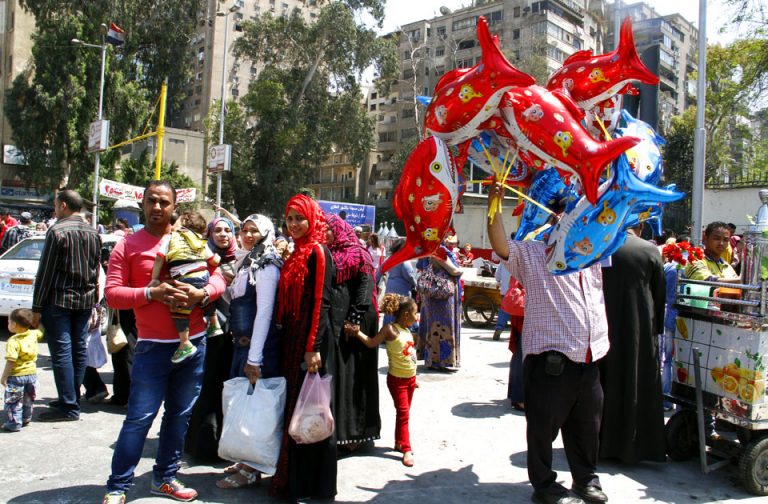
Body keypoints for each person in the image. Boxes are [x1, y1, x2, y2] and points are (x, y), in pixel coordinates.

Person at [102, 180, 227, 504]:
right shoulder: (127, 246)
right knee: (140, 418)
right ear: (143, 204)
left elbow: (219, 276)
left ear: (174, 207)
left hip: (194, 344)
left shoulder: (191, 238)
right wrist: (151, 293)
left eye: (164, 202)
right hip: (152, 347)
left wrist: (203, 293)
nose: (157, 207)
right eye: (152, 200)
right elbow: (112, 294)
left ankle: (165, 478)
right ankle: (118, 486)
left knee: (178, 416)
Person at [487, 181, 609, 504]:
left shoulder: (591, 255)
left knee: (587, 427)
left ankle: (586, 479)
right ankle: (545, 486)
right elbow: (501, 245)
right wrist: (494, 205)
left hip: (589, 358)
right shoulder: (534, 254)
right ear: (552, 219)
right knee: (542, 429)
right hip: (551, 363)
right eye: (565, 215)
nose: (572, 222)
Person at [271, 194, 337, 502]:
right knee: (295, 410)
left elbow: (321, 302)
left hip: (311, 342)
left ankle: (311, 485)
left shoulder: (318, 251)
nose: (294, 224)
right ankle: (290, 480)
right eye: (290, 219)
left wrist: (313, 347)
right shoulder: (296, 251)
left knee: (311, 411)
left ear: (312, 219)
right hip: (292, 341)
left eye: (300, 218)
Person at [216, 214, 284, 489]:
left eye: (254, 231)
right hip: (243, 346)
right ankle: (246, 461)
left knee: (257, 411)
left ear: (266, 233)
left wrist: (255, 359)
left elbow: (264, 313)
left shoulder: (267, 265)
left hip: (258, 349)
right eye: (244, 230)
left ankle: (252, 470)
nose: (247, 235)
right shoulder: (248, 261)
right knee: (244, 407)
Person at [599, 225, 667, 464]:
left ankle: (600, 444)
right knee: (637, 382)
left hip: (601, 325)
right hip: (639, 326)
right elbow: (659, 294)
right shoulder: (649, 250)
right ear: (641, 225)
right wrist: (656, 327)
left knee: (604, 382)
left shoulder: (600, 246)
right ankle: (637, 447)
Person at [32, 189, 101, 422]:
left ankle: (69, 405)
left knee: (62, 352)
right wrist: (95, 302)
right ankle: (70, 397)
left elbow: (45, 273)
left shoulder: (57, 231)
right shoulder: (93, 232)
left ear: (63, 205)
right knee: (78, 350)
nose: (54, 209)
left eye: (55, 205)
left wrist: (36, 307)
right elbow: (95, 270)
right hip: (84, 300)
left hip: (59, 301)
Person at [326, 213, 381, 450]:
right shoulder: (329, 253)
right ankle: (340, 432)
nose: (325, 233)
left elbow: (365, 289)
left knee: (356, 376)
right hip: (338, 322)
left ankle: (356, 434)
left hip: (357, 322)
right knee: (340, 376)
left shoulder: (359, 254)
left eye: (328, 229)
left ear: (338, 230)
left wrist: (354, 320)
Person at [349, 294, 419, 467]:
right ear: (406, 315)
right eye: (415, 313)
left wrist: (414, 378)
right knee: (404, 414)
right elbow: (371, 343)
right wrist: (357, 333)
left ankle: (399, 442)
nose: (417, 317)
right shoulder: (389, 329)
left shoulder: (407, 331)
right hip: (397, 381)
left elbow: (410, 356)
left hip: (410, 380)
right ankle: (407, 449)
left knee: (403, 414)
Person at [149, 210, 221, 363]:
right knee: (204, 297)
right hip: (203, 275)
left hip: (185, 278)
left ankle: (184, 343)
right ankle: (215, 324)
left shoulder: (171, 237)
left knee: (179, 310)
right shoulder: (198, 239)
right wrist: (218, 258)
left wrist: (154, 278)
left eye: (175, 221)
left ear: (182, 223)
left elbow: (159, 258)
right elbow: (213, 260)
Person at [417, 241, 462, 372]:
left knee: (432, 326)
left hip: (432, 294)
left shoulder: (427, 249)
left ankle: (432, 359)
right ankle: (440, 361)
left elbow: (421, 267)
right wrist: (461, 270)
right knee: (442, 327)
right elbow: (454, 270)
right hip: (442, 296)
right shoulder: (439, 249)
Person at [1, 308, 43, 432]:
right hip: (32, 374)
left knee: (13, 401)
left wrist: (4, 376)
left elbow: (11, 361)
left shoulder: (13, 341)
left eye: (9, 322)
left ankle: (14, 423)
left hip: (16, 376)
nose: (8, 324)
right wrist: (39, 321)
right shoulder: (33, 334)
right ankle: (26, 418)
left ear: (14, 324)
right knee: (28, 398)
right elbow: (41, 331)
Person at [383, 239, 417, 325]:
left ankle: (386, 328)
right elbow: (409, 275)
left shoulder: (391, 258)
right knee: (400, 310)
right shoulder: (403, 259)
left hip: (390, 286)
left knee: (389, 309)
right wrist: (415, 284)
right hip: (401, 288)